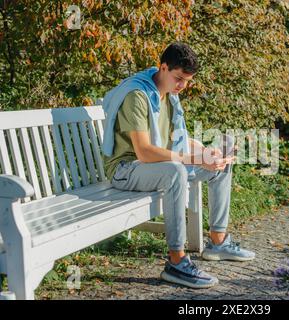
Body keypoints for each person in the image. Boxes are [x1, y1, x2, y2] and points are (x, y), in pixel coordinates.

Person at [101, 42, 255, 289]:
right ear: (163, 67)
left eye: (187, 80)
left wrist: (206, 152)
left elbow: (177, 141)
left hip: (154, 169)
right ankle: (176, 261)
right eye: (179, 79)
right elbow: (145, 151)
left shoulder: (168, 96)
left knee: (220, 165)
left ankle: (218, 242)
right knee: (176, 171)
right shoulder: (138, 96)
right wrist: (195, 159)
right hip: (126, 170)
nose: (182, 86)